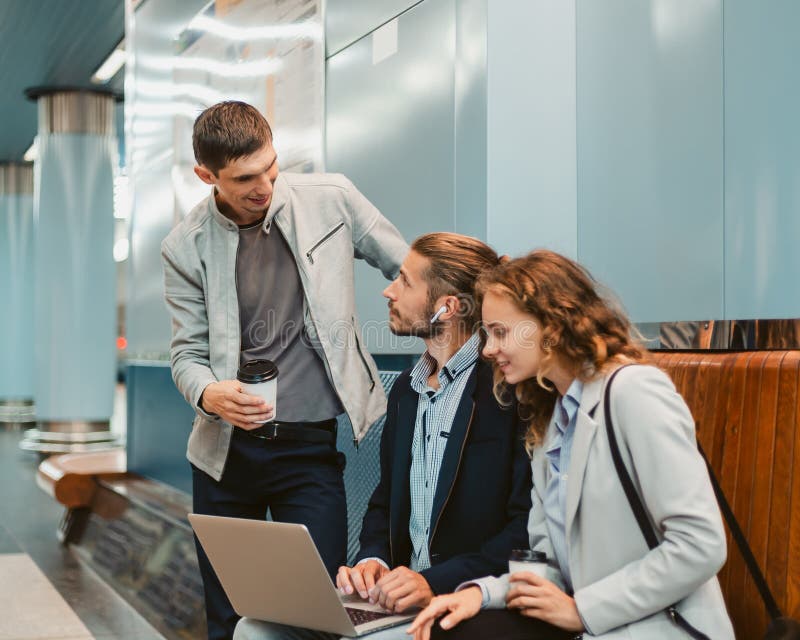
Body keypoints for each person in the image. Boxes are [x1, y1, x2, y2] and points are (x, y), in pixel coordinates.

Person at [161, 101, 409, 640]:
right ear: (207, 177)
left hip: (308, 448)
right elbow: (185, 357)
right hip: (224, 456)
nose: (265, 186)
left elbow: (412, 269)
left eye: (271, 168)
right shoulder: (184, 247)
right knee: (229, 619)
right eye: (245, 178)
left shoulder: (332, 198)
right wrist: (209, 394)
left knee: (316, 612)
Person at [409, 249, 735, 639]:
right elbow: (547, 563)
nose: (487, 350)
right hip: (595, 626)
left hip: (656, 627)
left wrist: (583, 610)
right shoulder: (552, 418)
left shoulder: (634, 392)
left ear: (551, 325)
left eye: (500, 332)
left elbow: (701, 545)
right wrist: (481, 593)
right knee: (453, 626)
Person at [234, 233, 533, 640]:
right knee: (256, 630)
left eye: (406, 281)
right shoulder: (407, 391)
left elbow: (524, 529)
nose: (388, 290)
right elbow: (384, 500)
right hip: (397, 598)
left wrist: (434, 581)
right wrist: (372, 558)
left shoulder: (506, 392)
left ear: (447, 307)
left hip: (463, 595)